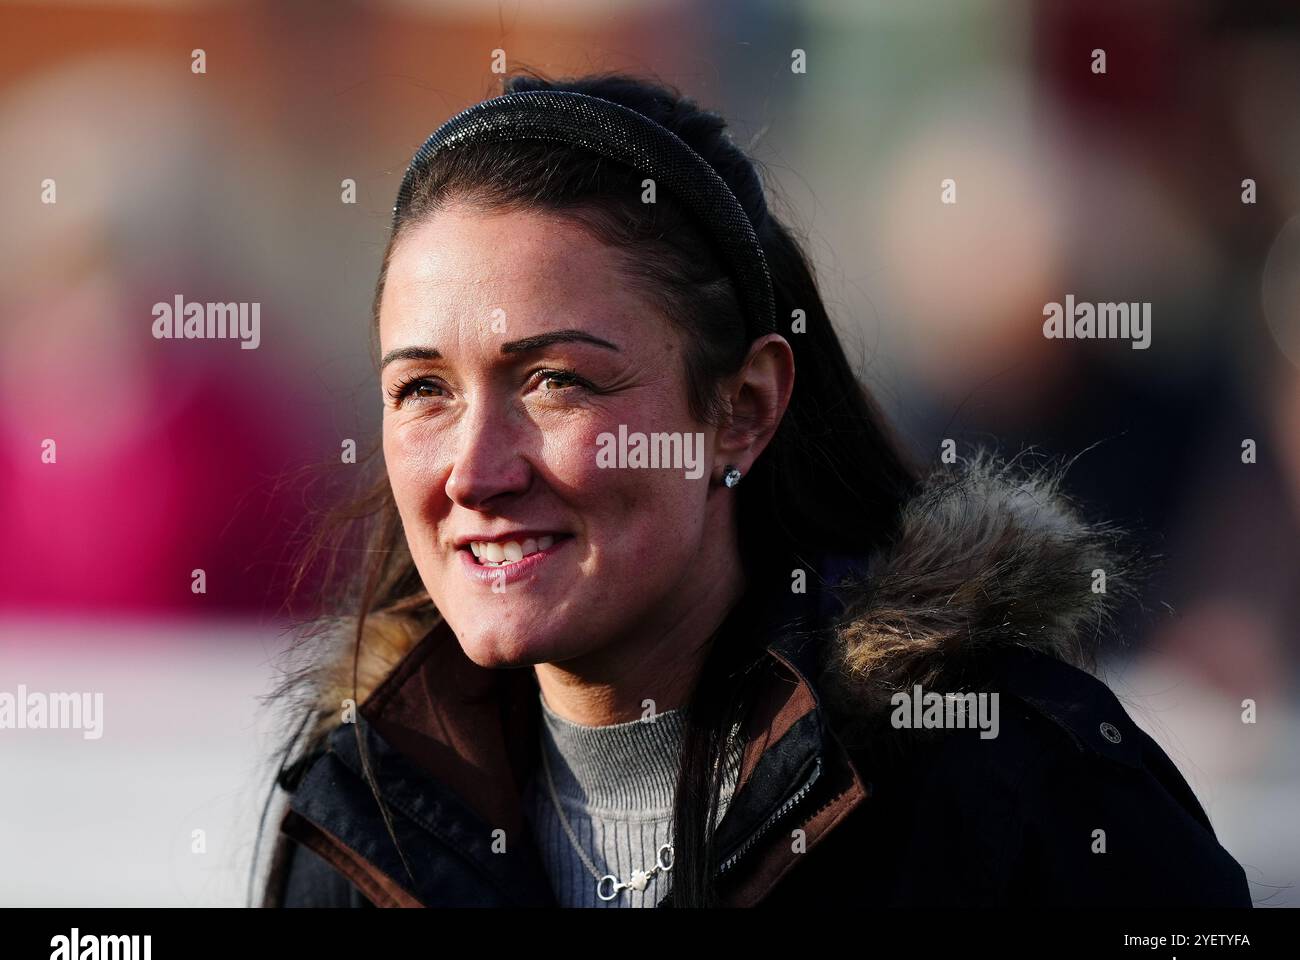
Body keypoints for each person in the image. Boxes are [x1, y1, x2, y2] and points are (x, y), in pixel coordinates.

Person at [255, 72, 1252, 908]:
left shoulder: (1013, 786)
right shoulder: (364, 825)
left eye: (554, 379)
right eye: (422, 388)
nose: (475, 469)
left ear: (741, 408)